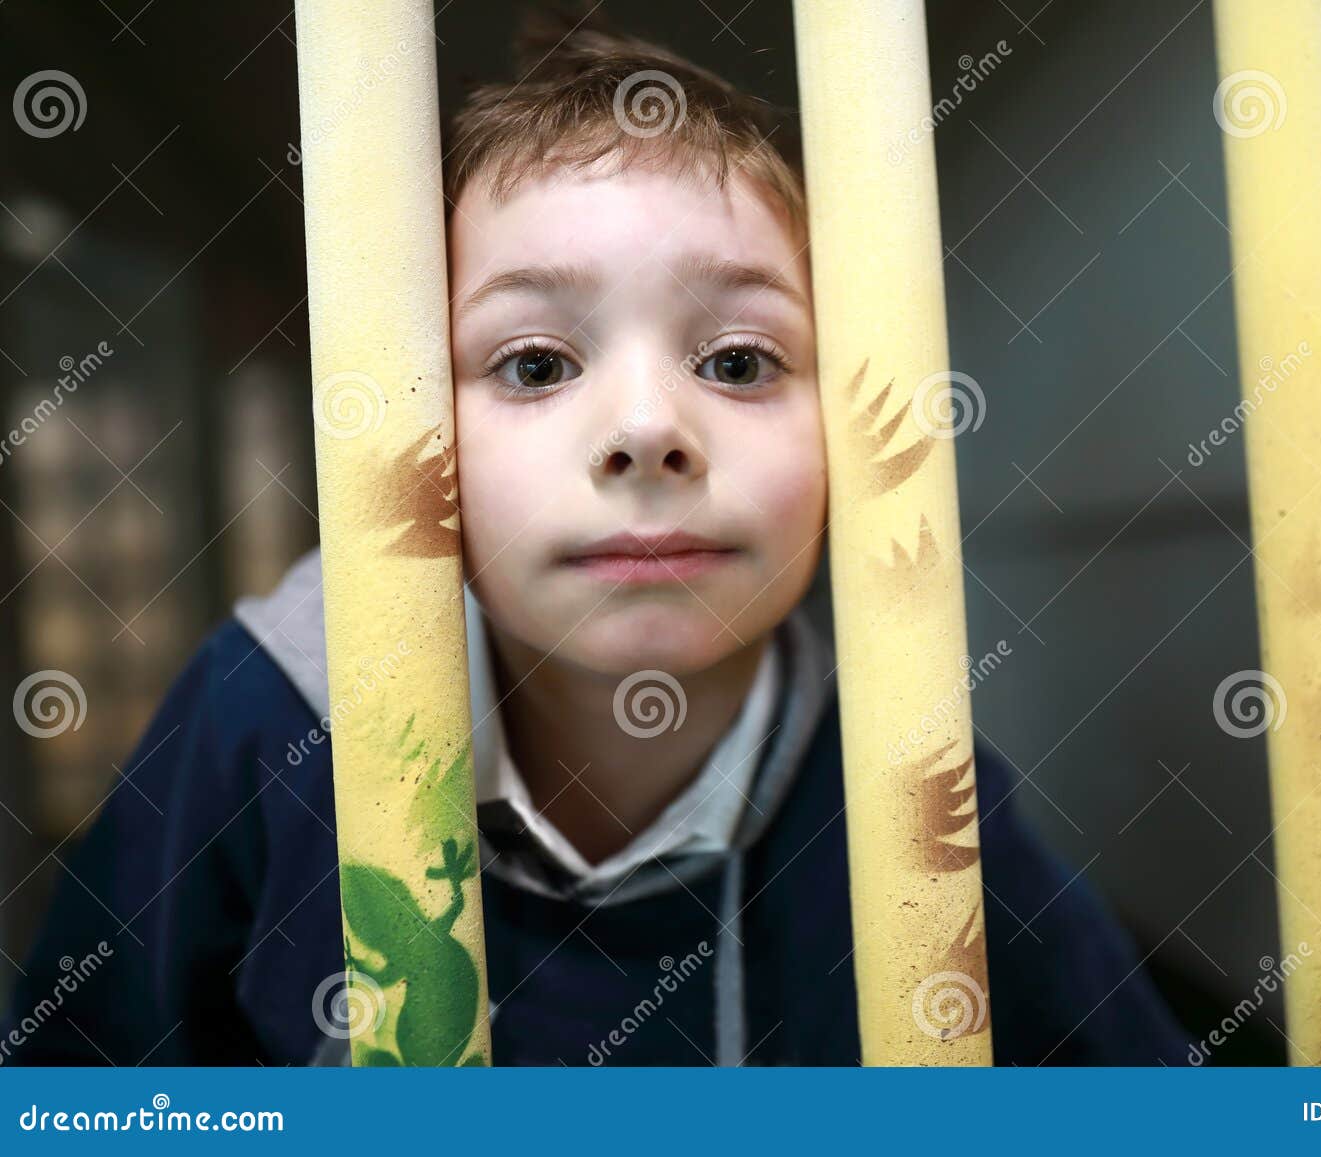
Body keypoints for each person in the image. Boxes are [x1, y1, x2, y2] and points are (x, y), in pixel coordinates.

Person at [0, 15, 1189, 1067]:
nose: (643, 430)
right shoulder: (265, 718)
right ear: (412, 427)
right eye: (534, 364)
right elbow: (76, 1090)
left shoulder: (905, 770)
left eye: (737, 361)